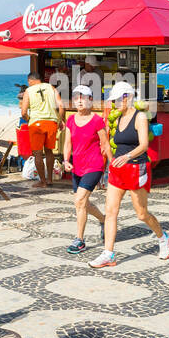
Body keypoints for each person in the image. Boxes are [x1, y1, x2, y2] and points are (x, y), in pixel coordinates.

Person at [90, 81, 169, 268]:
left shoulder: (140, 117)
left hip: (136, 167)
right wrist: (111, 161)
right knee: (110, 212)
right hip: (118, 169)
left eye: (117, 100)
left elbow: (143, 145)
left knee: (142, 214)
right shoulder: (118, 118)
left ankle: (163, 237)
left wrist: (127, 157)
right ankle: (108, 253)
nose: (114, 104)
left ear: (126, 98)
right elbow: (114, 143)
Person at [61, 85, 109, 255]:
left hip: (94, 165)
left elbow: (105, 144)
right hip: (77, 166)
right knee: (83, 203)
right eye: (76, 97)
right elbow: (67, 143)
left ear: (90, 100)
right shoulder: (71, 120)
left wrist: (109, 168)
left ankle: (79, 240)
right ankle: (103, 220)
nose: (79, 100)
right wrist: (66, 160)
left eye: (83, 97)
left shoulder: (97, 120)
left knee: (79, 201)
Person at [20, 70, 62, 188]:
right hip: (51, 122)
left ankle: (42, 181)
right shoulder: (51, 88)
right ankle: (50, 180)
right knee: (49, 151)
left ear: (30, 80)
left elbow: (23, 112)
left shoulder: (28, 91)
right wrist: (60, 120)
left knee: (37, 154)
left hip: (36, 123)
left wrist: (29, 119)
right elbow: (60, 106)